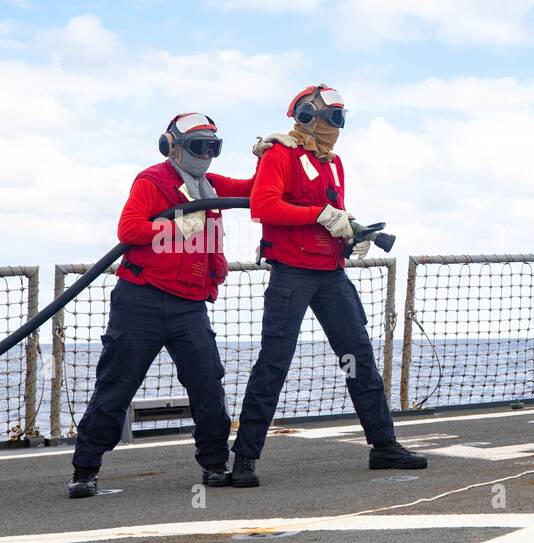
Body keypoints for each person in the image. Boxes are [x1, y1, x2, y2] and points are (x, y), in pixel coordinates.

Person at [230, 84, 425, 487]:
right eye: (333, 117)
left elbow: (326, 211)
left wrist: (349, 232)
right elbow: (264, 206)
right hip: (293, 273)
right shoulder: (280, 154)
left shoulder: (331, 162)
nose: (337, 126)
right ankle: (245, 458)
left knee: (358, 356)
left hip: (329, 271)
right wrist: (322, 215)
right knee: (274, 362)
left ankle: (384, 444)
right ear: (306, 115)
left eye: (340, 118)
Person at [68, 113, 251, 499]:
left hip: (189, 305)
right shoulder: (151, 181)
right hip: (141, 302)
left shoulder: (212, 186)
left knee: (206, 383)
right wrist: (172, 227)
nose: (206, 154)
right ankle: (85, 469)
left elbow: (257, 189)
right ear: (172, 147)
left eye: (212, 147)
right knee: (117, 385)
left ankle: (215, 464)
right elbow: (129, 230)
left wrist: (273, 154)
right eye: (198, 146)